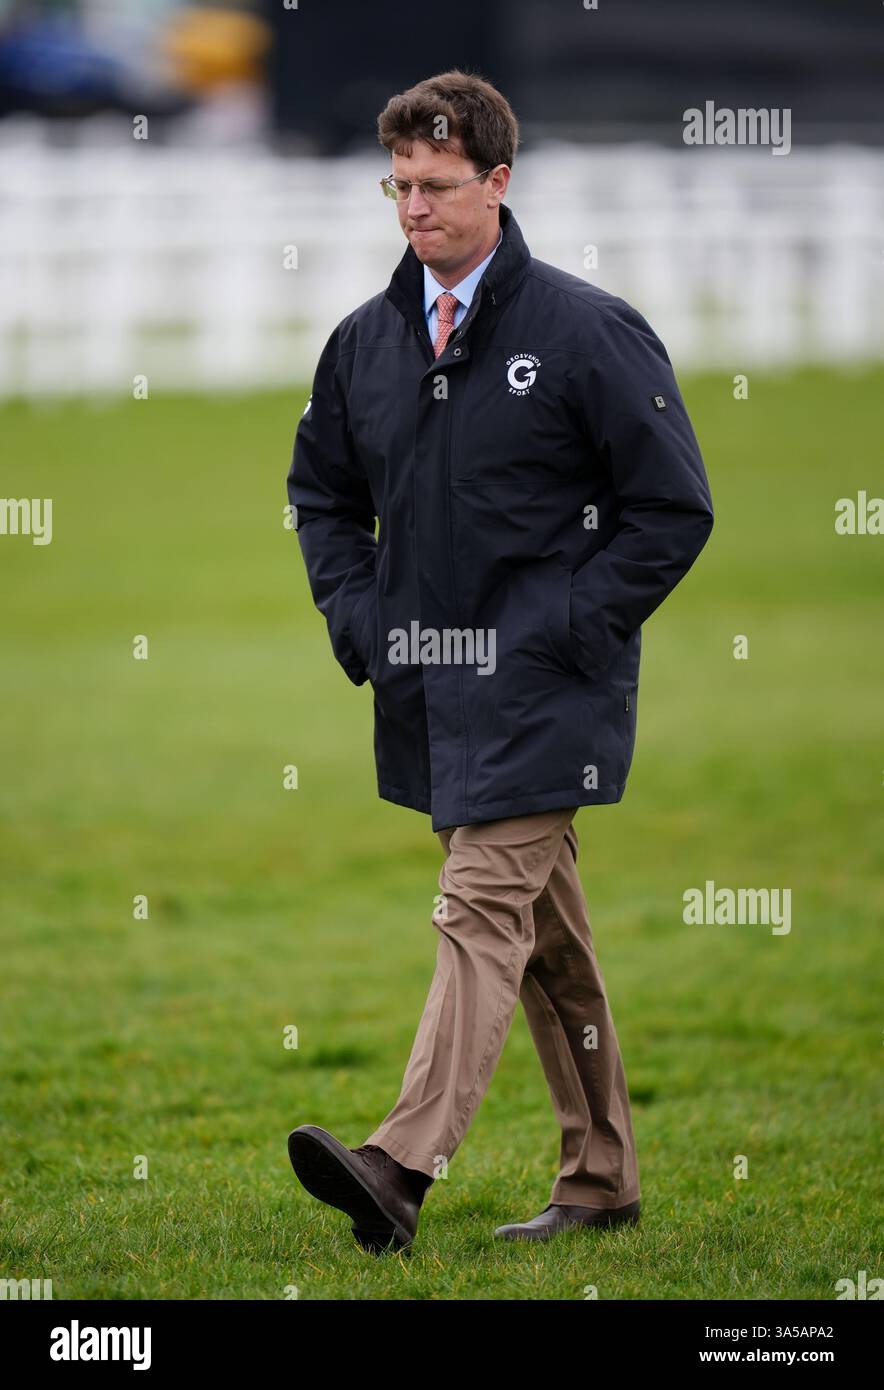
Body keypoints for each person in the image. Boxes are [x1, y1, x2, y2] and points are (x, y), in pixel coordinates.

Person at [285, 69, 713, 1254]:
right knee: (544, 947)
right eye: (398, 186)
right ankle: (600, 1177)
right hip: (427, 686)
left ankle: (399, 1163)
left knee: (479, 912)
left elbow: (671, 508)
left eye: (436, 186)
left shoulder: (584, 329)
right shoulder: (365, 343)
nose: (413, 208)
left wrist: (571, 626)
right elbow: (320, 495)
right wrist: (361, 621)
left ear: (498, 181)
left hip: (545, 688)